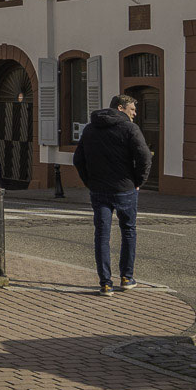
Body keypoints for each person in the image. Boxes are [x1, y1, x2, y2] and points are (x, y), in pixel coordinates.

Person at [72, 92, 153, 296]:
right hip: (125, 189)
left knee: (102, 235)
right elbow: (145, 157)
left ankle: (105, 283)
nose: (135, 113)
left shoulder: (91, 129)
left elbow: (78, 159)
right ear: (120, 108)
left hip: (99, 190)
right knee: (128, 231)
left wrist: (89, 182)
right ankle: (126, 277)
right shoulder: (129, 128)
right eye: (132, 109)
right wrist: (138, 181)